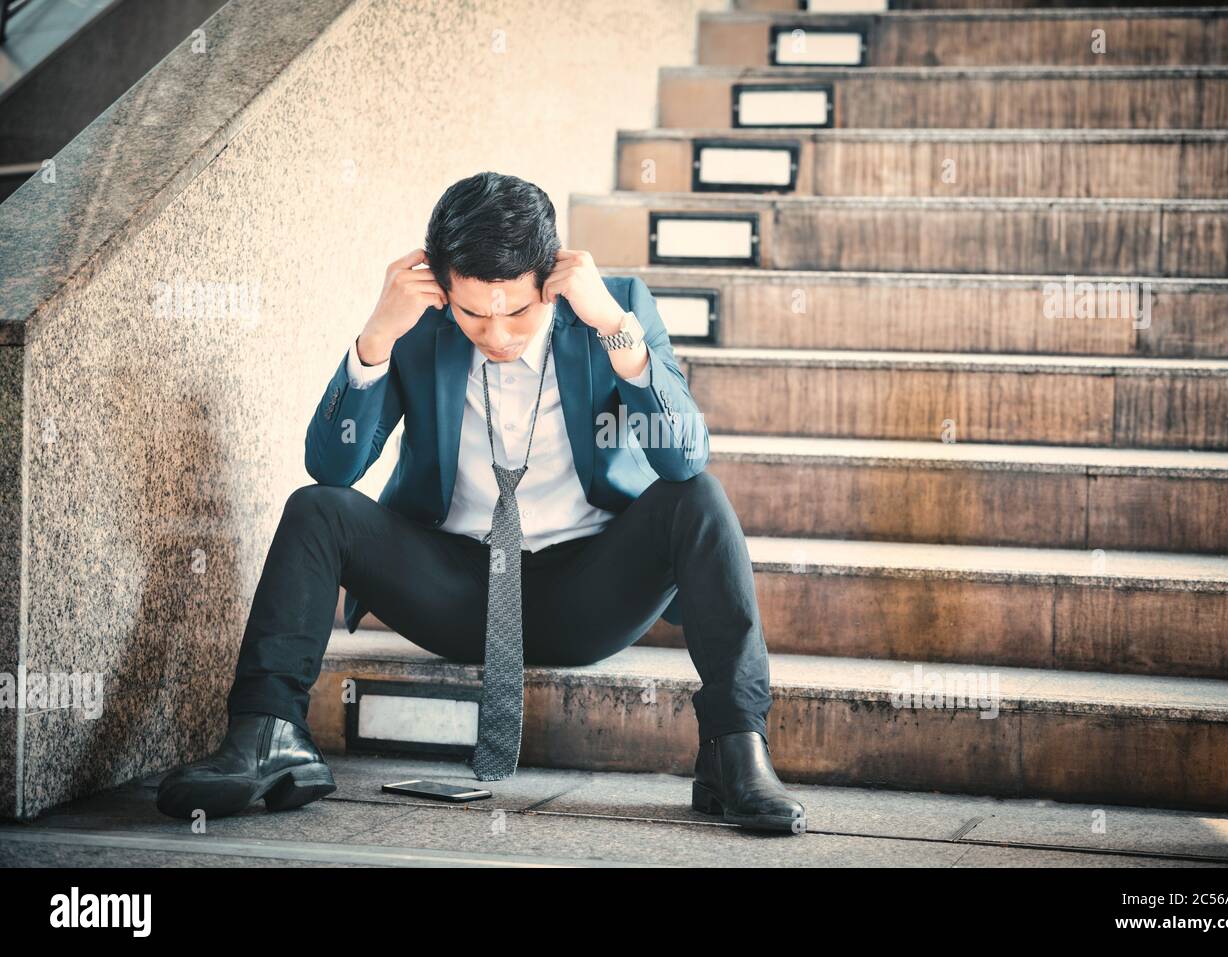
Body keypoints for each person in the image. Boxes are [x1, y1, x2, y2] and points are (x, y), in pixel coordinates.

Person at [155, 171, 805, 833]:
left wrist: (613, 326)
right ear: (443, 289)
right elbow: (332, 464)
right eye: (473, 314)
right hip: (455, 588)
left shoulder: (615, 310)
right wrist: (376, 336)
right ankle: (268, 734)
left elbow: (682, 455)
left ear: (551, 279)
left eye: (518, 312)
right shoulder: (419, 326)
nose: (497, 334)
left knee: (698, 496)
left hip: (588, 593)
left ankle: (733, 748)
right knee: (315, 507)